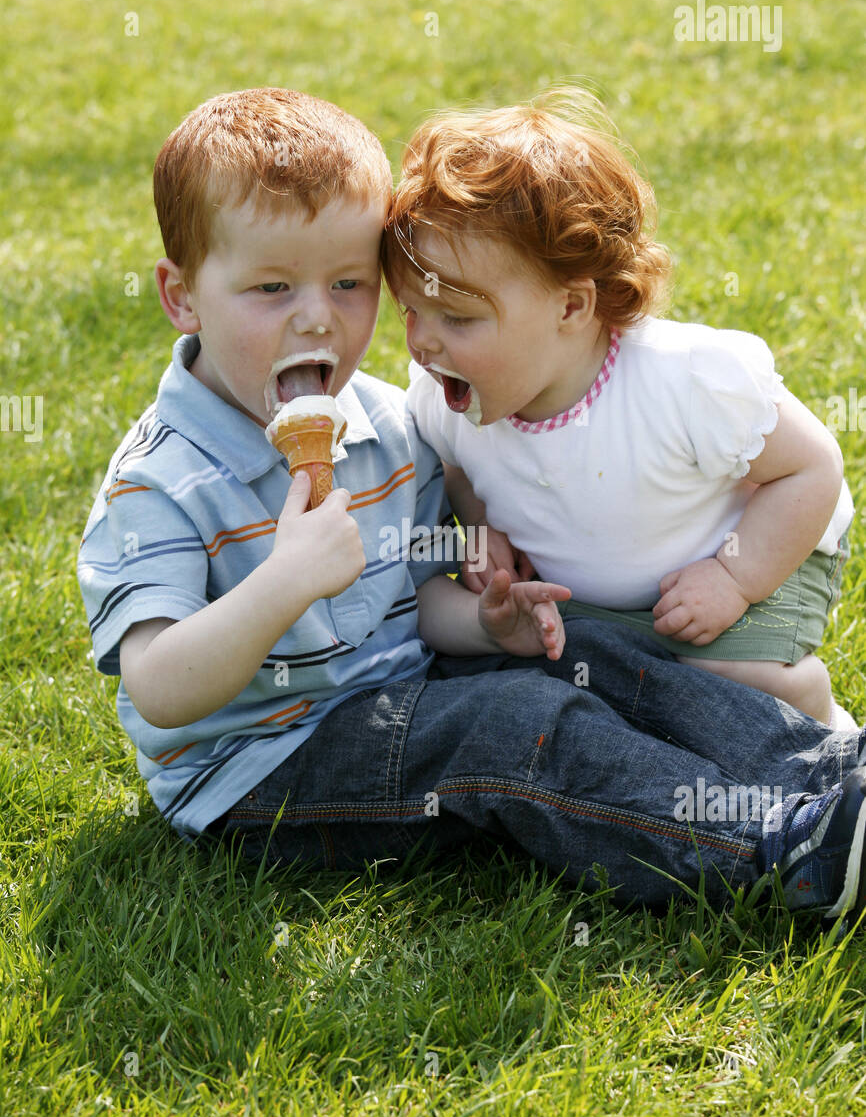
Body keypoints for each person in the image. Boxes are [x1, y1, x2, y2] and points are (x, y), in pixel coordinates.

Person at [77, 87, 866, 925]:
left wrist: (489, 627)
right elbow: (159, 688)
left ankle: (827, 772)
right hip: (268, 766)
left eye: (349, 283)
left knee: (597, 648)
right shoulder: (158, 483)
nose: (318, 320)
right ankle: (781, 853)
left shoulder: (383, 426)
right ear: (181, 296)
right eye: (272, 288)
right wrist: (284, 582)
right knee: (514, 725)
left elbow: (418, 604)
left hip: (408, 685)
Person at [382, 89, 856, 730]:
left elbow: (813, 469)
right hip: (607, 592)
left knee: (732, 679)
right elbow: (461, 469)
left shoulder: (681, 381)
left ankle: (823, 724)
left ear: (571, 308)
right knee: (551, 675)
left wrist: (734, 579)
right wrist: (484, 529)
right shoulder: (451, 397)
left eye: (458, 318)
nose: (423, 340)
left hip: (762, 550)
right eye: (411, 310)